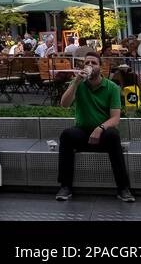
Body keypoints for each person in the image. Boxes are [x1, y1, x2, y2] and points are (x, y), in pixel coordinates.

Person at [55, 50, 134, 202]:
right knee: (67, 135)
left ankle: (123, 188)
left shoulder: (111, 87)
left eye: (93, 63)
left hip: (103, 134)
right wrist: (76, 82)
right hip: (83, 133)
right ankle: (65, 186)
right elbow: (64, 104)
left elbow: (115, 118)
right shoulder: (78, 84)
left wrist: (100, 128)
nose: (90, 65)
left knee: (113, 135)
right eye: (87, 63)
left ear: (100, 67)